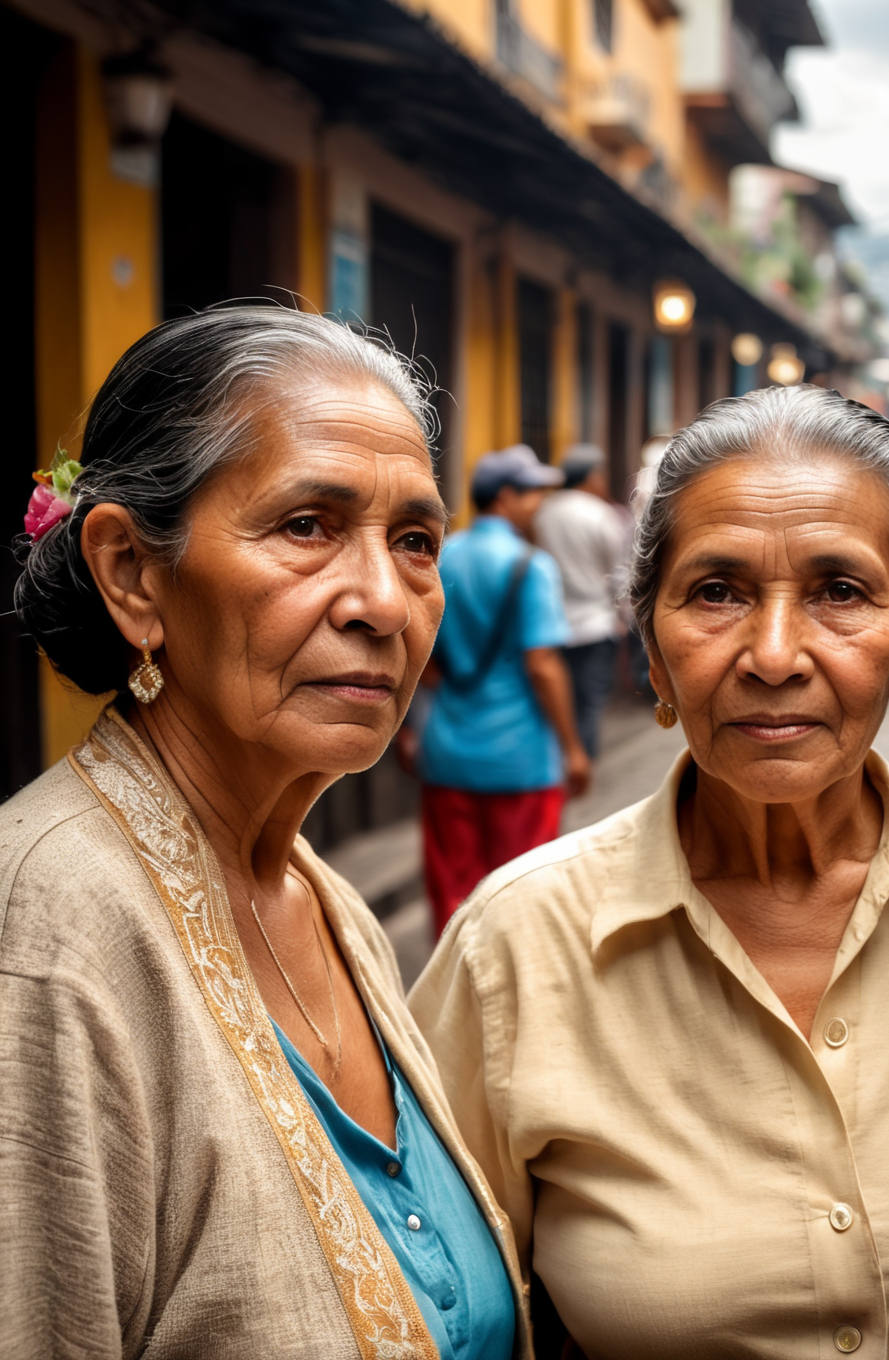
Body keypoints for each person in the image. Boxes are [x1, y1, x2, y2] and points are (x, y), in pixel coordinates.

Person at [411, 385, 889, 1359]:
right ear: (649, 652)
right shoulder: (515, 951)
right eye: (715, 592)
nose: (774, 655)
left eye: (838, 590)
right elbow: (432, 1315)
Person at [0, 308, 526, 1359]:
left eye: (415, 540)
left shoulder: (319, 899)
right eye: (306, 526)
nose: (384, 600)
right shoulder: (50, 937)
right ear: (132, 576)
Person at [418, 444, 591, 936]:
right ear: (505, 497)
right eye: (532, 492)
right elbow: (542, 664)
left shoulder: (440, 559)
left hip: (448, 750)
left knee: (454, 892)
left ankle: (453, 995)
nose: (539, 502)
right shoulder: (530, 566)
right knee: (521, 896)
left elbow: (425, 662)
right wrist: (572, 747)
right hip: (520, 757)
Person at [534, 444, 629, 758]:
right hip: (593, 624)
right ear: (590, 477)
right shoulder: (601, 513)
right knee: (589, 702)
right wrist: (623, 617)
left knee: (559, 698)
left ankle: (560, 759)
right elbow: (618, 571)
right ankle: (582, 763)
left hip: (552, 623)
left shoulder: (544, 511)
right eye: (600, 474)